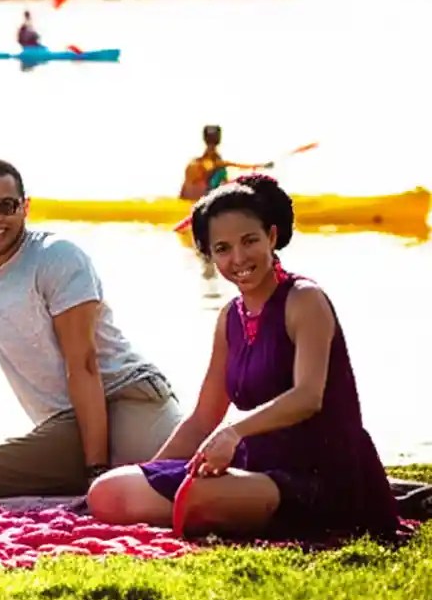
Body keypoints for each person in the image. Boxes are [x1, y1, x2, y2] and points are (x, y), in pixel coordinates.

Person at [88, 175, 401, 540]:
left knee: (200, 498)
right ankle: (221, 507)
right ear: (208, 253)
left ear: (271, 236)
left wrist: (234, 432)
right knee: (108, 492)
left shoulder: (304, 300)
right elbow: (204, 416)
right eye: (222, 248)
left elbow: (308, 396)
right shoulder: (229, 318)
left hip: (319, 471)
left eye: (249, 241)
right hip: (254, 465)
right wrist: (153, 471)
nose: (238, 258)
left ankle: (240, 510)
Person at [0, 158, 182, 498]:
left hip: (126, 401)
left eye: (6, 205)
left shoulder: (56, 257)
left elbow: (84, 363)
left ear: (25, 207)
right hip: (69, 423)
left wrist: (96, 471)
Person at [179, 125, 272, 201]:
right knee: (221, 173)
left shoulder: (198, 161)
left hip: (194, 195)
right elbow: (236, 166)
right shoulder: (208, 163)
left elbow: (235, 165)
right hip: (200, 196)